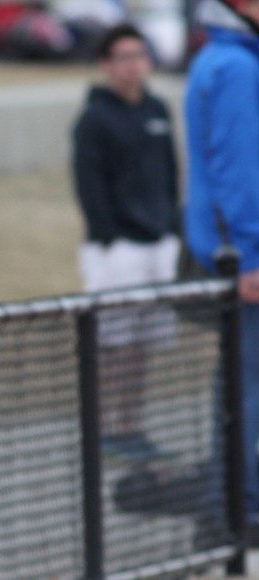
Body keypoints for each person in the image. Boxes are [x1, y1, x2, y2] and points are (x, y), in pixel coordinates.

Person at [71, 23, 180, 462]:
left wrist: (171, 228)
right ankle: (101, 432)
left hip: (159, 245)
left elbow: (171, 175)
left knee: (142, 346)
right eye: (124, 56)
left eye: (141, 55)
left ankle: (131, 426)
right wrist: (110, 239)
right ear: (106, 64)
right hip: (119, 250)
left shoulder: (157, 109)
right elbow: (90, 186)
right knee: (111, 345)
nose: (134, 64)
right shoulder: (95, 119)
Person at [183, 0, 259, 540]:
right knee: (243, 389)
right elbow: (239, 168)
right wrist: (251, 257)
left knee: (238, 386)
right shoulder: (235, 65)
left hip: (237, 251)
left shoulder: (224, 57)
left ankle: (231, 504)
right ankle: (235, 510)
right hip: (245, 258)